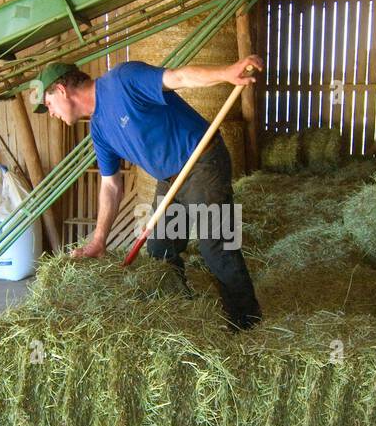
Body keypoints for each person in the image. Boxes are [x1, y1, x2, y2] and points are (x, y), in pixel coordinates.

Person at [32, 56, 263, 330]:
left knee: (216, 246)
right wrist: (99, 240)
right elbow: (110, 185)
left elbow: (178, 78)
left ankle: (247, 324)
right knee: (160, 250)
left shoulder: (122, 80)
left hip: (203, 161)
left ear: (61, 90)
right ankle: (181, 313)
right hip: (170, 178)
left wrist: (227, 71)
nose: (51, 113)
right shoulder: (99, 130)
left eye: (48, 105)